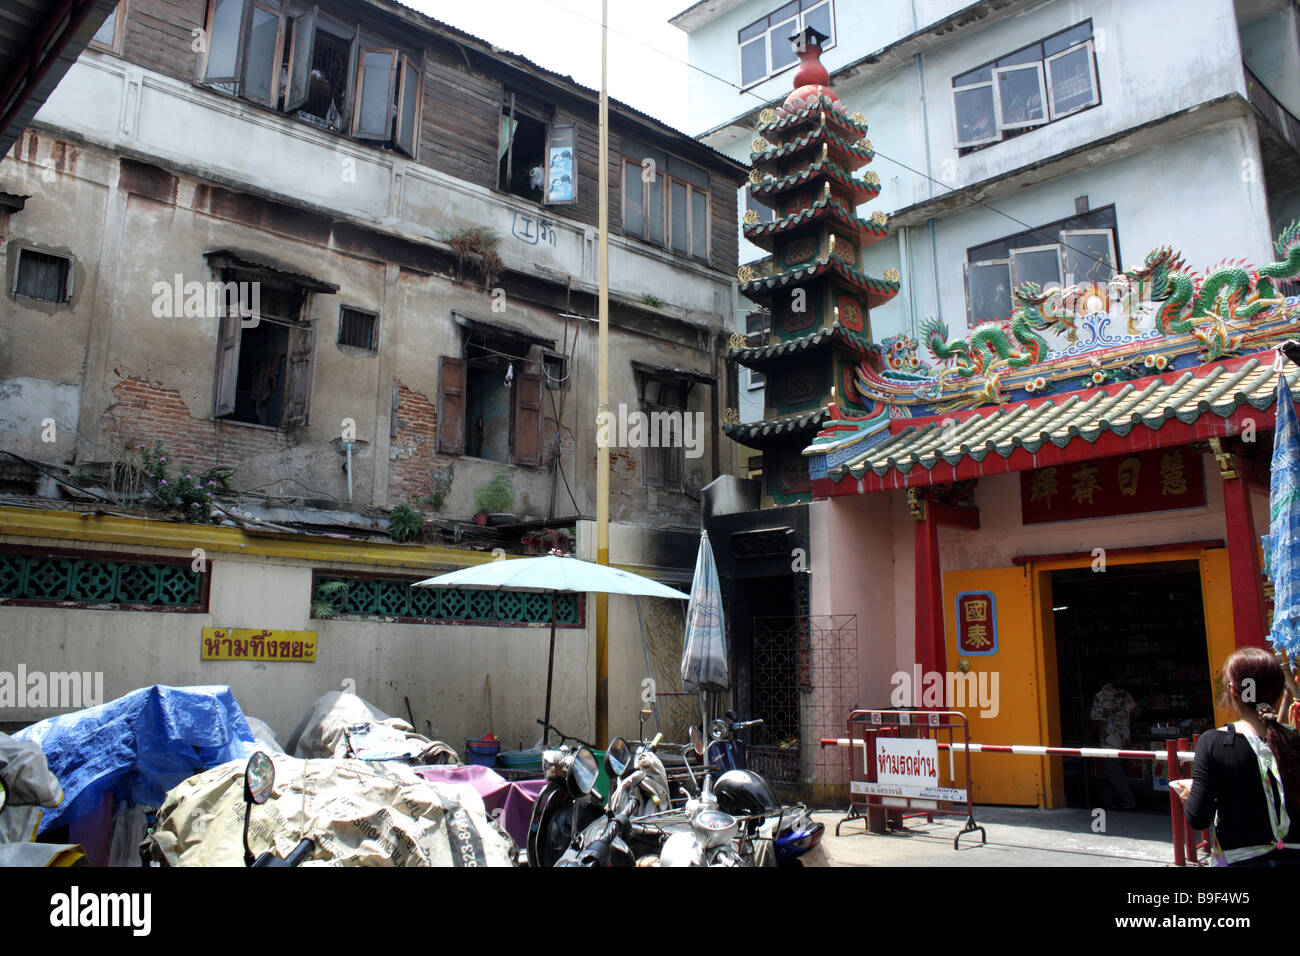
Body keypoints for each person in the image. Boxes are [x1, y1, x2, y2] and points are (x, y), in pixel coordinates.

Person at [1179, 648, 1300, 867]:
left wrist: (1189, 797)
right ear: (1280, 692)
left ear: (1232, 690)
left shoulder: (1213, 742)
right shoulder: (1294, 739)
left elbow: (1198, 817)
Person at [1090, 680, 1139, 810]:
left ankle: (1129, 802)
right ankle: (1106, 800)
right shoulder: (1124, 694)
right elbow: (1135, 711)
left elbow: (1096, 721)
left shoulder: (1099, 695)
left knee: (1114, 771)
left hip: (1109, 740)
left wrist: (1087, 736)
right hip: (1124, 738)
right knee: (1113, 771)